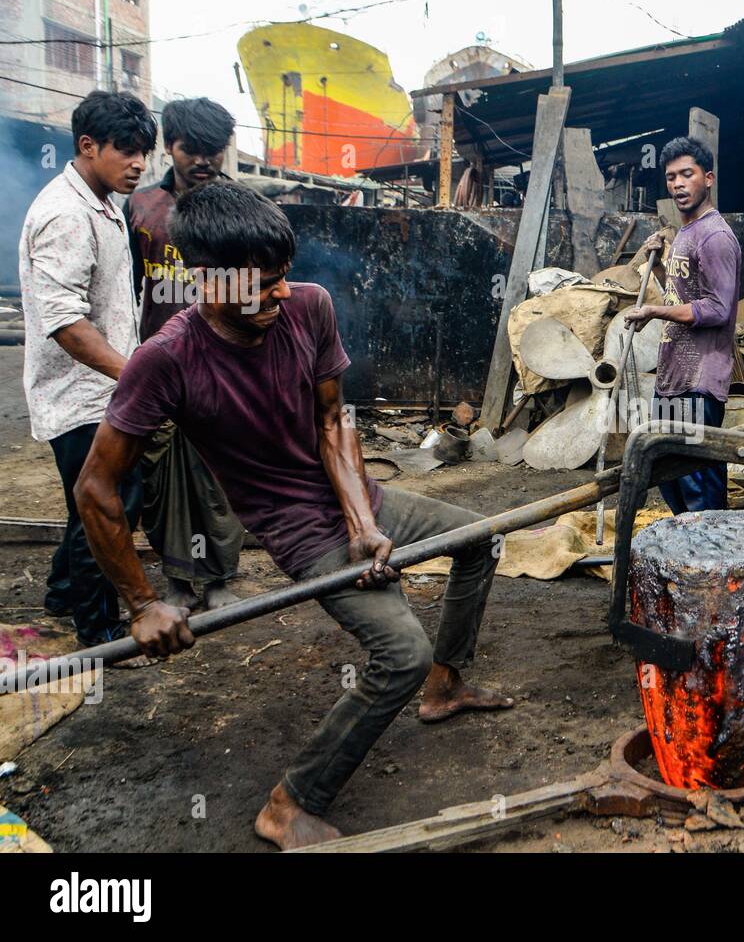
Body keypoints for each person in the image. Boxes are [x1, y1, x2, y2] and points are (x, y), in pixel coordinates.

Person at [73, 182, 513, 849]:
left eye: (284, 277)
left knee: (479, 539)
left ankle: (444, 686)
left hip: (357, 498)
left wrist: (363, 520)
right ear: (209, 281)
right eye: (264, 284)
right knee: (399, 653)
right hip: (296, 528)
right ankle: (290, 803)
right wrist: (140, 604)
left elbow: (332, 419)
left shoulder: (308, 306)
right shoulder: (167, 359)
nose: (282, 293)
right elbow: (96, 488)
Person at [19, 90, 156, 653]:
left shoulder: (101, 201)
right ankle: (97, 630)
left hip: (101, 391)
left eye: (145, 152)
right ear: (87, 146)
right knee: (105, 506)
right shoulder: (67, 214)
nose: (140, 164)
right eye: (126, 151)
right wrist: (136, 377)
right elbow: (66, 323)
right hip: (79, 397)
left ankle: (61, 590)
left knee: (95, 501)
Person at [124, 97, 244, 612]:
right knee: (161, 477)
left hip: (225, 364)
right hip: (160, 363)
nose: (202, 160)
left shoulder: (240, 208)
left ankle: (220, 578)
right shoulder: (141, 208)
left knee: (220, 474)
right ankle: (177, 582)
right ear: (169, 146)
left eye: (212, 150)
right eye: (190, 149)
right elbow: (125, 287)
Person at [622, 136, 741, 513]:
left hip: (699, 381)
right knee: (671, 479)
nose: (677, 184)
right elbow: (682, 294)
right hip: (674, 378)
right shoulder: (686, 234)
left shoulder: (716, 236)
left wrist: (653, 313)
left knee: (699, 488)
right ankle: (691, 563)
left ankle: (713, 567)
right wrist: (657, 262)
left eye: (686, 174)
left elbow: (718, 308)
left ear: (708, 178)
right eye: (671, 177)